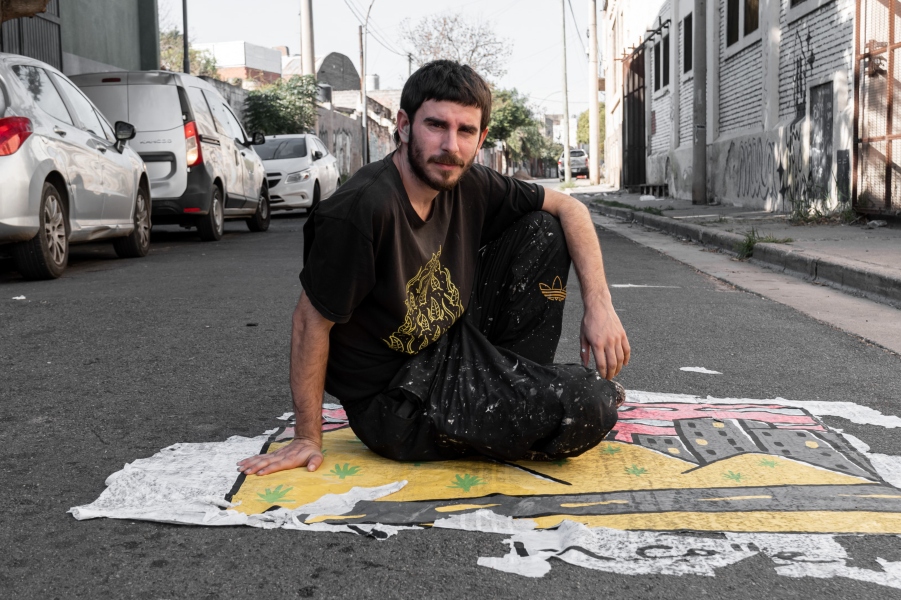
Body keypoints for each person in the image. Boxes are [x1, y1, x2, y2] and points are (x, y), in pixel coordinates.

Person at [238, 60, 630, 476]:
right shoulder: (362, 210)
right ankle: (522, 397)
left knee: (543, 229)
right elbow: (309, 322)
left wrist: (600, 305)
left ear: (480, 139)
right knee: (591, 406)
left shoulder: (469, 182)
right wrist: (306, 436)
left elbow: (570, 207)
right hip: (398, 400)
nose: (451, 146)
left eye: (465, 131)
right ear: (404, 125)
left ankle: (517, 384)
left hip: (456, 343)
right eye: (436, 126)